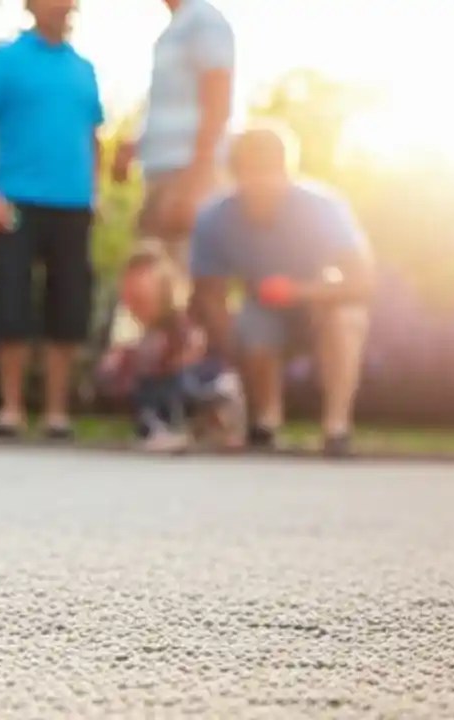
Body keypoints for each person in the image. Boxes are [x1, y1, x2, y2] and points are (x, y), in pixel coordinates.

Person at [0, 0, 104, 439]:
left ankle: (57, 413)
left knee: (68, 306)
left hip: (73, 206)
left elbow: (94, 136)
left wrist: (94, 192)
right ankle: (11, 409)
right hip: (17, 201)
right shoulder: (3, 61)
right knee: (11, 304)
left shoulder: (84, 68)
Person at [190, 123, 374, 457]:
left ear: (287, 171)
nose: (261, 182)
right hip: (261, 307)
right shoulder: (214, 218)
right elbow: (209, 293)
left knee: (347, 319)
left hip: (319, 302)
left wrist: (299, 292)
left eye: (270, 171)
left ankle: (336, 428)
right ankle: (265, 422)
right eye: (251, 171)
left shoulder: (323, 208)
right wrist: (227, 342)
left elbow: (362, 281)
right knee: (249, 323)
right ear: (236, 175)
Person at [112, 0, 235, 276]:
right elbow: (173, 106)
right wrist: (136, 145)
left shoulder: (203, 20)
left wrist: (197, 180)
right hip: (163, 173)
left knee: (184, 277)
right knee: (157, 279)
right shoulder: (176, 27)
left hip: (186, 172)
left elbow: (218, 98)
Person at [106, 244, 243, 452]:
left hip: (193, 381)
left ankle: (211, 426)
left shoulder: (183, 321)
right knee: (143, 377)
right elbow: (116, 360)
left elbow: (194, 349)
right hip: (156, 381)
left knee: (191, 380)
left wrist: (176, 358)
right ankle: (161, 427)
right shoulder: (127, 320)